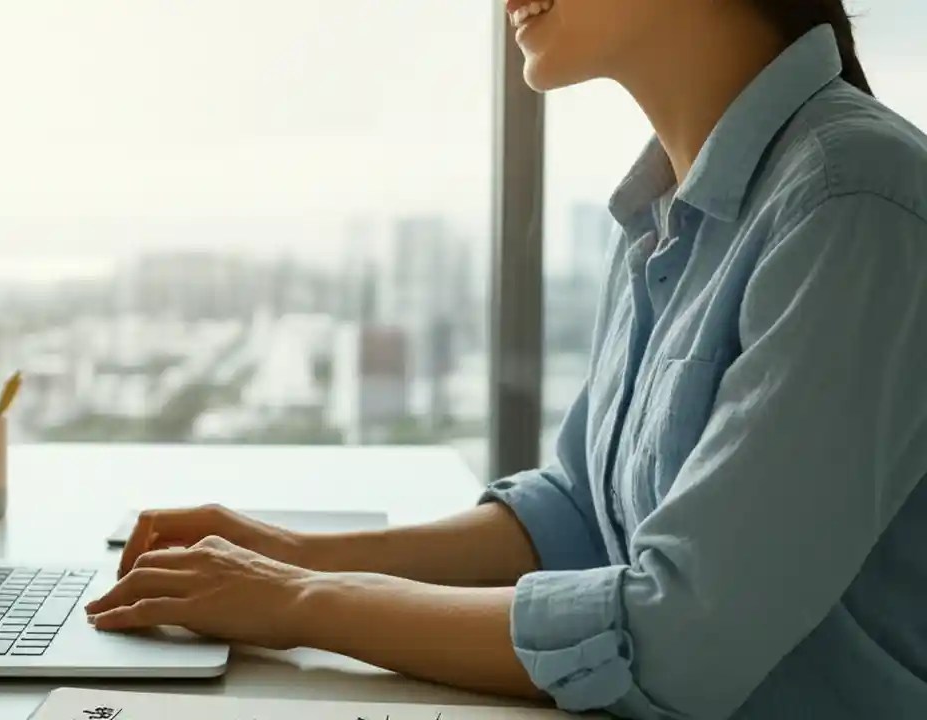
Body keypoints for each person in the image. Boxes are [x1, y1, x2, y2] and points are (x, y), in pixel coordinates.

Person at [85, 1, 927, 717]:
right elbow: (573, 522)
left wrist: (301, 602)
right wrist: (287, 555)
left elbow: (682, 637)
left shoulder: (852, 201)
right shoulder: (675, 206)